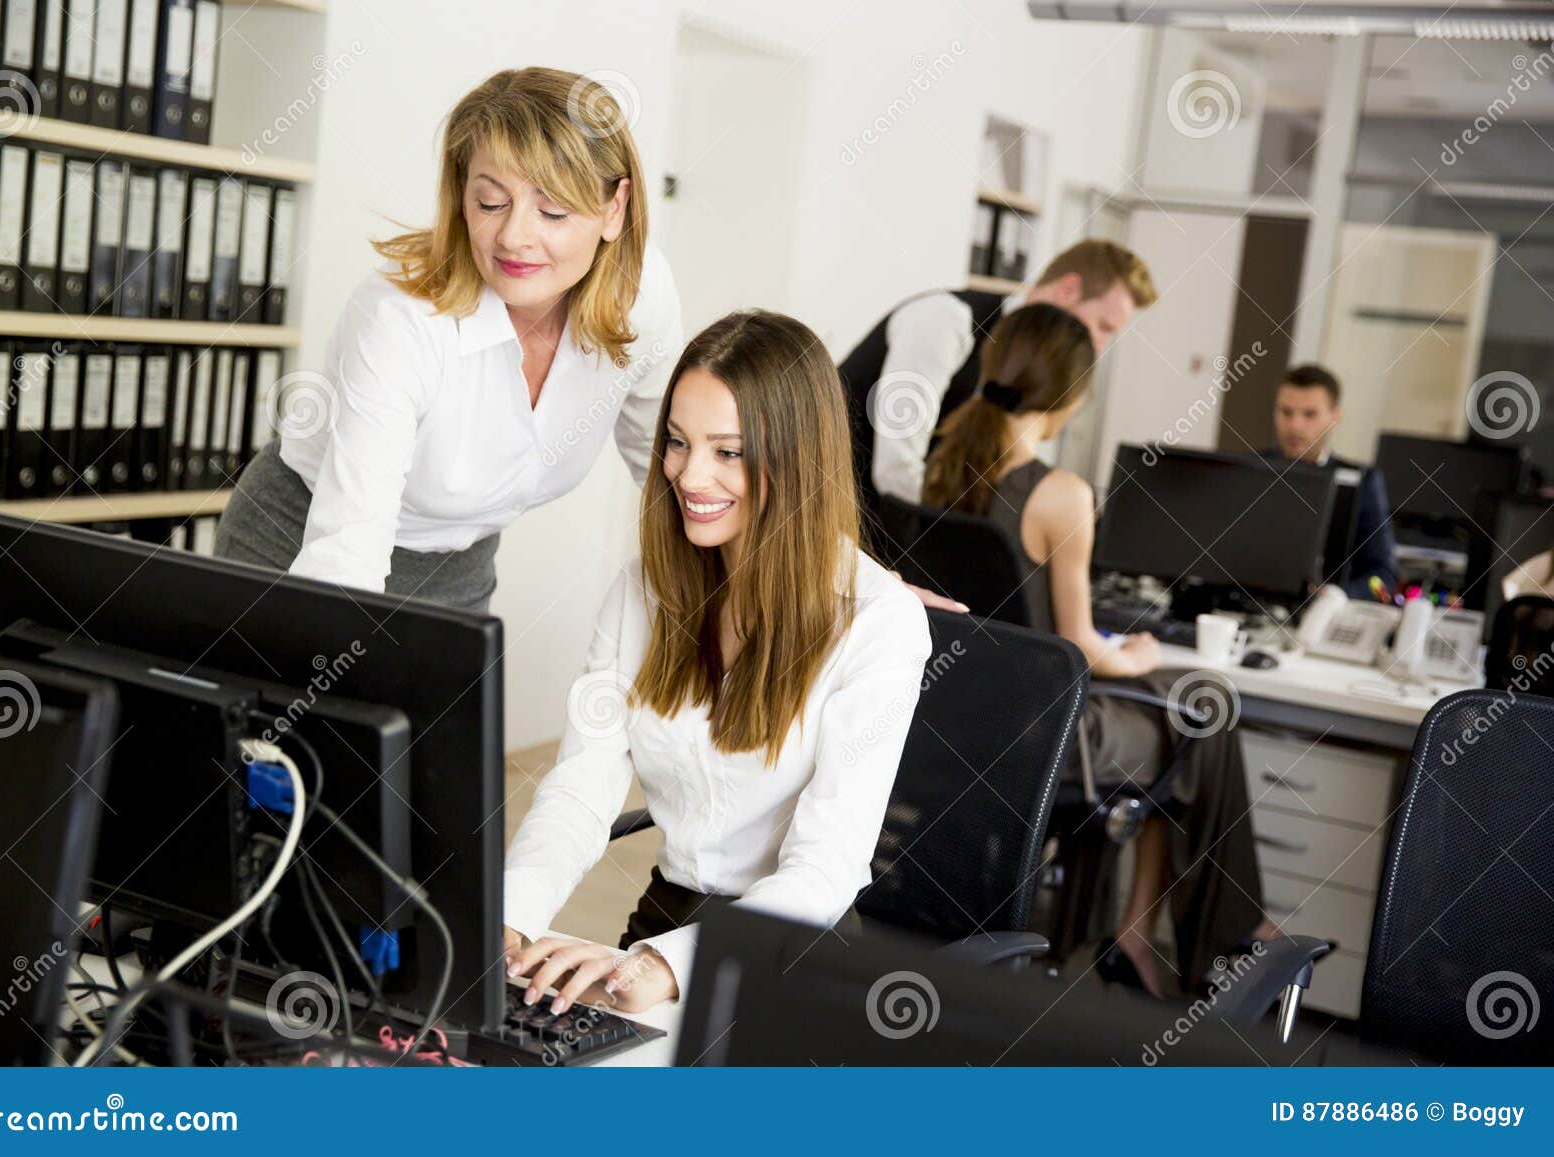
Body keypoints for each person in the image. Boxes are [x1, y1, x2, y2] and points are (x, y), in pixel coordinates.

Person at [500, 310, 934, 1015]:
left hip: (791, 955)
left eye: (728, 452)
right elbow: (582, 785)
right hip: (664, 920)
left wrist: (661, 967)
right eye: (677, 441)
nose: (688, 474)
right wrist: (510, 919)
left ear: (799, 460)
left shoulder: (878, 623)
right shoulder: (646, 589)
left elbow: (825, 867)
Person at [213, 67, 684, 612]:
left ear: (614, 209)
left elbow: (670, 465)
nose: (514, 237)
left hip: (459, 565)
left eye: (552, 210)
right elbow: (347, 557)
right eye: (490, 203)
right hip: (296, 541)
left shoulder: (640, 292)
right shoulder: (399, 318)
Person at [922, 303, 1278, 996]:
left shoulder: (943, 470)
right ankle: (1227, 940)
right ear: (1072, 395)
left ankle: (1140, 937)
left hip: (963, 723)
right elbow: (1079, 645)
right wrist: (1139, 656)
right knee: (1206, 712)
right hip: (1052, 737)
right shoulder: (1062, 494)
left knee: (1184, 721)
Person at [838, 239, 1158, 515]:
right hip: (838, 509)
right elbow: (895, 469)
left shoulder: (1029, 366)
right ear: (1068, 290)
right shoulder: (948, 319)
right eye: (1103, 326)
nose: (1099, 345)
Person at [1268, 364, 1399, 598]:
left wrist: (1338, 596)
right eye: (1286, 412)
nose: (1295, 425)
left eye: (1309, 414)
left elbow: (1384, 576)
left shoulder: (1363, 482)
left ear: (1335, 415)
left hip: (1326, 609)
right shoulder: (1250, 470)